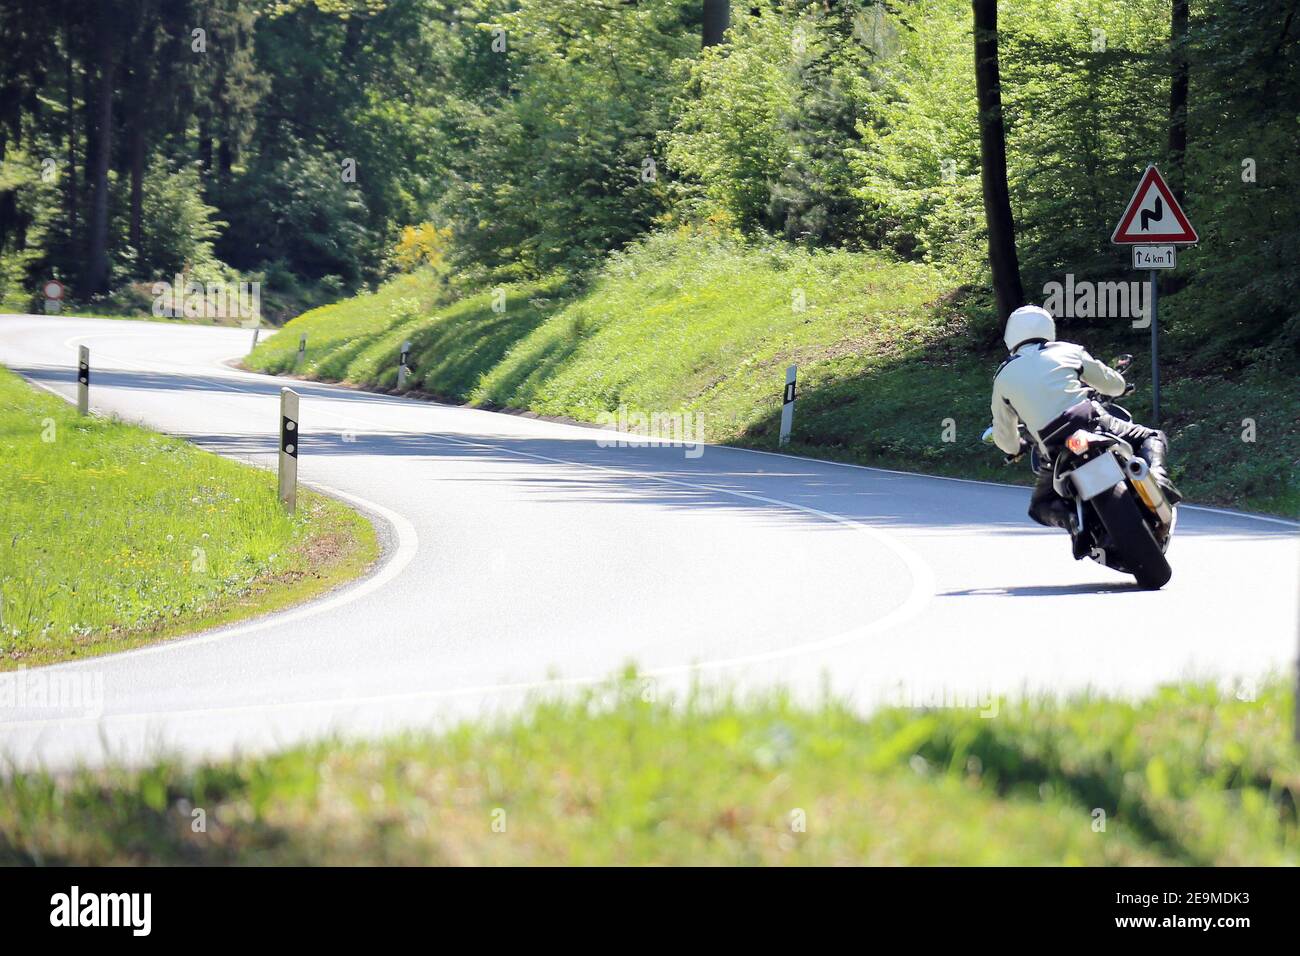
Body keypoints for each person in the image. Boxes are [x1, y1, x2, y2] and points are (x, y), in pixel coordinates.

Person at [989, 305, 1180, 556]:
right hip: (1091, 422)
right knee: (1150, 436)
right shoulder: (1068, 351)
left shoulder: (1003, 376)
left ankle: (1073, 524)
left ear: (1010, 335)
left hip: (1053, 445)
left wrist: (1018, 447)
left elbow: (1005, 436)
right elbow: (1113, 384)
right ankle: (1159, 476)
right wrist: (1120, 388)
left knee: (1040, 505)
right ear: (1048, 328)